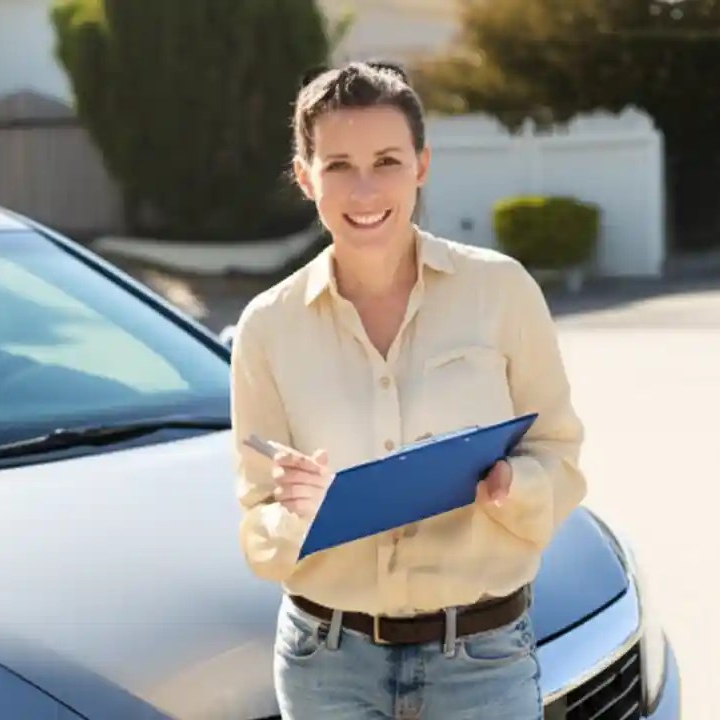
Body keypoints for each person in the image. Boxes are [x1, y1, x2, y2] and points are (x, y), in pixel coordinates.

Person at [229, 61, 587, 719]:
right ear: (306, 177)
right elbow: (258, 522)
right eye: (338, 165)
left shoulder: (502, 293)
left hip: (482, 659)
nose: (364, 189)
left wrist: (515, 487)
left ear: (421, 165)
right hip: (325, 665)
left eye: (387, 160)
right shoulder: (267, 328)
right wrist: (298, 518)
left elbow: (560, 457)